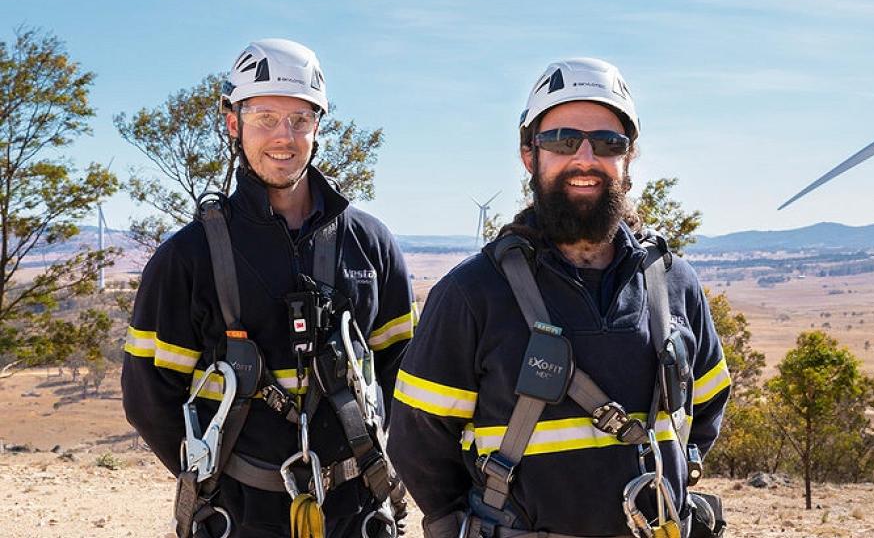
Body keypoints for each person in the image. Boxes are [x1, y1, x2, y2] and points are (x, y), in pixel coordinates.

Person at [387, 58, 731, 538]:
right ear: (530, 155)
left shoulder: (675, 285)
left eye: (608, 143)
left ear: (628, 158)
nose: (585, 158)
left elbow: (706, 410)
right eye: (563, 140)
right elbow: (417, 441)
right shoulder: (472, 295)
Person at [122, 38, 415, 538]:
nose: (285, 136)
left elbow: (403, 375)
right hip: (240, 512)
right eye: (265, 117)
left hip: (357, 509)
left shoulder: (370, 245)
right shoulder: (188, 259)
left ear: (318, 126)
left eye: (301, 119)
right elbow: (149, 397)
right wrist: (211, 481)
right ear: (234, 123)